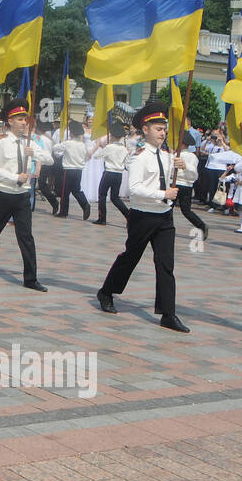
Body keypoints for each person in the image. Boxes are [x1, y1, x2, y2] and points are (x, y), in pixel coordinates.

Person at [95, 102, 190, 333]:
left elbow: (188, 177)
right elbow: (134, 189)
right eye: (158, 128)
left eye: (164, 129)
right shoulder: (139, 157)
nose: (162, 133)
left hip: (164, 217)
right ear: (145, 130)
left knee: (166, 265)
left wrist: (184, 166)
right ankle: (106, 292)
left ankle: (168, 313)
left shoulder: (168, 156)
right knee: (130, 257)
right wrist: (162, 193)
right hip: (142, 216)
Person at [0, 98, 51, 291]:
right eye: (19, 119)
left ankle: (30, 278)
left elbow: (50, 159)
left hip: (22, 195)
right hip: (3, 194)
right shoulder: (0, 142)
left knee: (26, 236)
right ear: (10, 121)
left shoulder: (28, 142)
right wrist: (15, 176)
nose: (23, 122)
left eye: (24, 118)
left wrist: (35, 153)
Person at [91, 118, 130, 225]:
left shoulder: (109, 147)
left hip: (108, 173)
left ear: (112, 136)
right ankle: (128, 215)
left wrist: (104, 146)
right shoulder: (124, 149)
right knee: (115, 197)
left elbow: (97, 156)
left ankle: (102, 218)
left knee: (102, 195)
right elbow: (127, 163)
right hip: (119, 174)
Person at [53, 120, 91, 219]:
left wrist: (62, 142)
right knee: (76, 190)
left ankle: (63, 212)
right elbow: (87, 157)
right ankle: (85, 204)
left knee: (64, 191)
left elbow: (55, 148)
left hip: (68, 169)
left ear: (71, 133)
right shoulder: (83, 145)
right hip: (79, 170)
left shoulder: (68, 143)